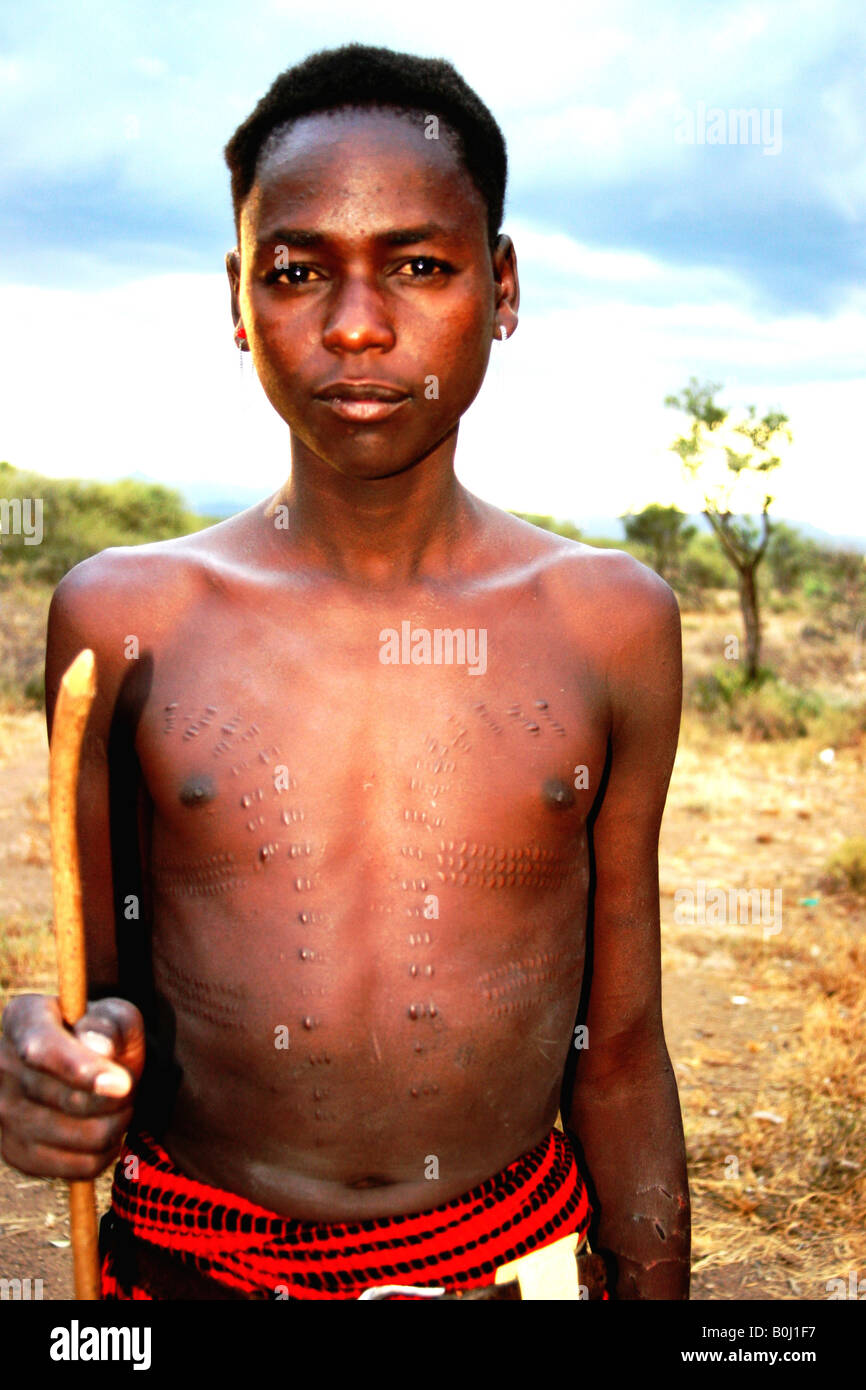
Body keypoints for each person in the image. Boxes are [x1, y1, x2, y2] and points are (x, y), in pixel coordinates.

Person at [0, 42, 689, 1300]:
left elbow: (621, 1049)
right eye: (297, 270)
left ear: (501, 287)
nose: (357, 325)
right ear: (237, 299)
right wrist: (49, 1059)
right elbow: (101, 995)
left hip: (502, 1265)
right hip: (194, 1269)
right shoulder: (123, 619)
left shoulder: (607, 624)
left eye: (418, 266)